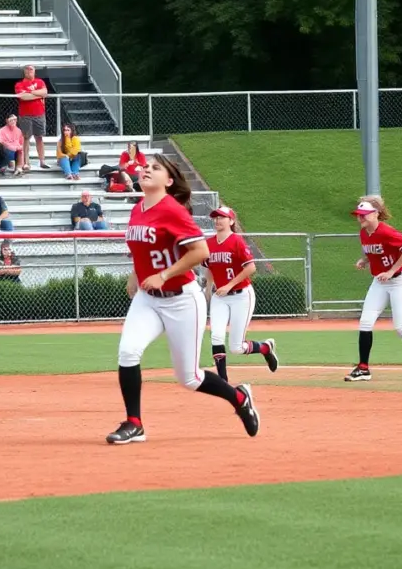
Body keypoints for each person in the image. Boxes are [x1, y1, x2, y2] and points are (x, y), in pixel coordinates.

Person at [106, 154, 260, 445]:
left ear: (169, 180)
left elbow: (201, 252)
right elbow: (142, 251)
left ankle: (239, 397)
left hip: (181, 299)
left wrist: (163, 276)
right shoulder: (138, 208)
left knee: (189, 377)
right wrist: (135, 275)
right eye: (145, 167)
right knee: (128, 352)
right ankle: (134, 423)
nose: (146, 170)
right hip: (148, 299)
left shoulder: (173, 210)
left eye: (155, 168)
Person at [344, 197, 402, 382]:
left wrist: (392, 271)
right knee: (365, 322)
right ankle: (363, 368)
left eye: (364, 215)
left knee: (401, 327)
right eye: (359, 215)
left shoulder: (386, 231)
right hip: (379, 281)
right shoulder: (364, 233)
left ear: (376, 214)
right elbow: (376, 250)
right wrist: (365, 260)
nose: (360, 218)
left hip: (400, 281)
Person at [203, 205, 279, 382]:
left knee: (236, 347)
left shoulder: (237, 241)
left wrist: (229, 285)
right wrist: (208, 287)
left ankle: (265, 348)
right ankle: (223, 381)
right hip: (219, 297)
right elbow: (209, 268)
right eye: (216, 217)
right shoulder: (209, 243)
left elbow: (251, 267)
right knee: (216, 335)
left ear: (231, 221)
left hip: (241, 295)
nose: (218, 220)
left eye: (222, 217)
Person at [14, 65, 51, 170]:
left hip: (39, 114)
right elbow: (23, 97)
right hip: (25, 115)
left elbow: (45, 92)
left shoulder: (40, 82)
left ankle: (42, 161)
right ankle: (26, 162)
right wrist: (38, 95)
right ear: (24, 72)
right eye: (27, 69)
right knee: (26, 138)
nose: (29, 71)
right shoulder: (19, 84)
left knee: (39, 138)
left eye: (31, 69)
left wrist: (30, 93)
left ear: (34, 71)